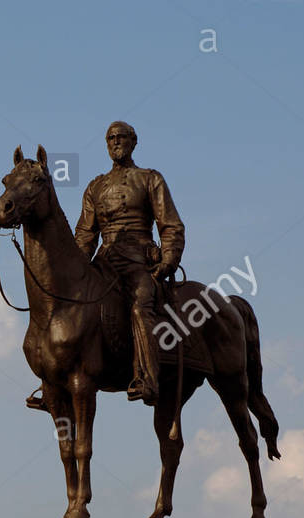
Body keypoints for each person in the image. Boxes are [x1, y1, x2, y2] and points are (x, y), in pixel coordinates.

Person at [66, 121, 184, 406]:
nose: (116, 142)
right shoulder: (95, 186)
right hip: (104, 261)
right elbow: (84, 234)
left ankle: (147, 378)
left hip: (138, 259)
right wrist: (75, 272)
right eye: (111, 138)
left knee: (141, 304)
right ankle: (58, 379)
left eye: (122, 137)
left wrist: (169, 258)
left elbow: (170, 225)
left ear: (133, 142)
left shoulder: (149, 178)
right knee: (69, 307)